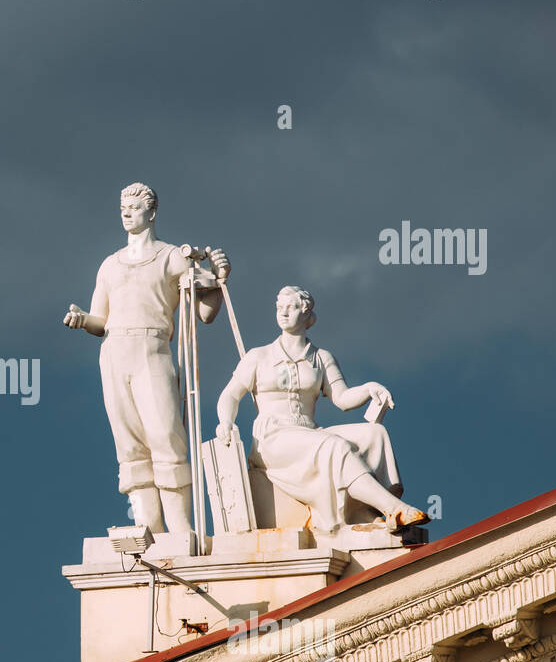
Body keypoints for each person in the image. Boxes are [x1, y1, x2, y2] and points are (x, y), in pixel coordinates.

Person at [64, 182, 230, 534]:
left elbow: (205, 313)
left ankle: (181, 527)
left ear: (151, 213)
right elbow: (100, 320)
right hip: (114, 351)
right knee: (130, 444)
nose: (126, 213)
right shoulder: (109, 265)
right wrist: (82, 319)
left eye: (134, 207)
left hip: (152, 349)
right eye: (122, 207)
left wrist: (218, 281)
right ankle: (147, 528)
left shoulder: (171, 256)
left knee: (165, 434)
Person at [214, 285, 428, 532]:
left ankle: (369, 513)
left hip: (308, 431)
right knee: (334, 446)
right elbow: (230, 394)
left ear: (306, 314)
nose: (283, 313)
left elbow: (342, 398)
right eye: (279, 308)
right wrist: (226, 422)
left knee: (374, 434)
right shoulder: (259, 356)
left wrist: (368, 389)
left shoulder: (321, 357)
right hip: (272, 438)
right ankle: (392, 508)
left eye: (291, 307)